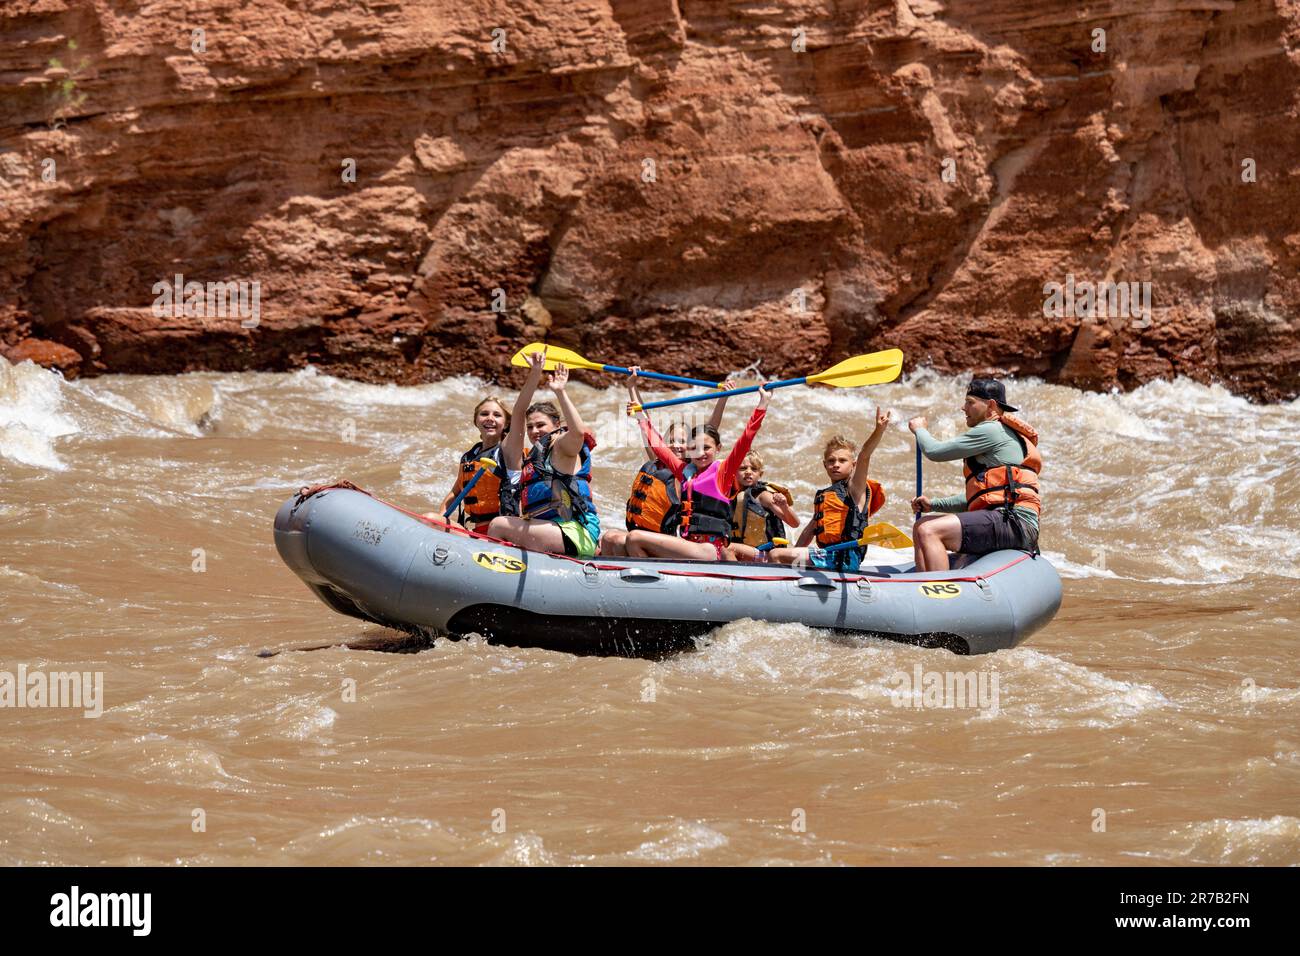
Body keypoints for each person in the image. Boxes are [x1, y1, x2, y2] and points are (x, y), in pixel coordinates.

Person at [908, 377, 1041, 571]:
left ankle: (939, 594)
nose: (964, 408)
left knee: (928, 530)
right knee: (922, 524)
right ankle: (922, 588)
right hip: (1012, 522)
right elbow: (981, 496)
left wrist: (919, 430)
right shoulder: (1005, 432)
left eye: (970, 402)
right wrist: (934, 504)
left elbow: (934, 451)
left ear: (991, 406)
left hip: (1012, 522)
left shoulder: (991, 430)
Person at [625, 386, 772, 561]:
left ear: (718, 448)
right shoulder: (685, 472)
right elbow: (657, 445)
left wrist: (763, 403)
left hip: (709, 549)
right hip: (688, 545)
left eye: (707, 448)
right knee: (629, 538)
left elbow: (746, 438)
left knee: (634, 537)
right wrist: (640, 417)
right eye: (693, 448)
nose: (700, 453)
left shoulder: (723, 471)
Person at [599, 371, 734, 556]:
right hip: (644, 534)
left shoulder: (690, 471)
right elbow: (645, 422)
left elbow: (710, 429)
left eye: (682, 441)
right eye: (671, 440)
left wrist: (722, 398)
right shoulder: (657, 461)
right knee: (609, 537)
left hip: (669, 538)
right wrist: (632, 386)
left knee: (621, 538)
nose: (676, 445)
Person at [487, 351, 601, 558]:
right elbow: (519, 412)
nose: (534, 431)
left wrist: (560, 392)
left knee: (499, 525)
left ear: (557, 425)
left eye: (541, 425)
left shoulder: (562, 447)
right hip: (550, 530)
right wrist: (535, 373)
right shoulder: (532, 456)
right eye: (530, 427)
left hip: (575, 532)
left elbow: (578, 432)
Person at [770, 408, 890, 571]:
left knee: (775, 555)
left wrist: (879, 430)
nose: (836, 464)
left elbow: (864, 456)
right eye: (831, 460)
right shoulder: (825, 496)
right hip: (828, 554)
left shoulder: (855, 489)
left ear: (853, 465)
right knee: (781, 555)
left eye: (842, 460)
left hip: (845, 557)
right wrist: (793, 554)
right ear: (824, 464)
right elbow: (809, 532)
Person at [435, 396, 512, 532]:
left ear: (506, 424)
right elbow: (455, 492)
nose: (490, 418)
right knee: (430, 519)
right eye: (484, 414)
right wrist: (439, 519)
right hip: (477, 529)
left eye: (497, 415)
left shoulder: (509, 451)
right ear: (476, 421)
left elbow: (520, 420)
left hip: (500, 530)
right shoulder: (469, 456)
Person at [727, 452, 798, 561]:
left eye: (754, 469)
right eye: (742, 468)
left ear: (760, 474)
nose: (748, 472)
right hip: (746, 551)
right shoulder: (730, 495)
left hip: (765, 553)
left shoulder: (763, 496)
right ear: (734, 471)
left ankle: (732, 575)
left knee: (729, 548)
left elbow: (794, 523)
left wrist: (785, 506)